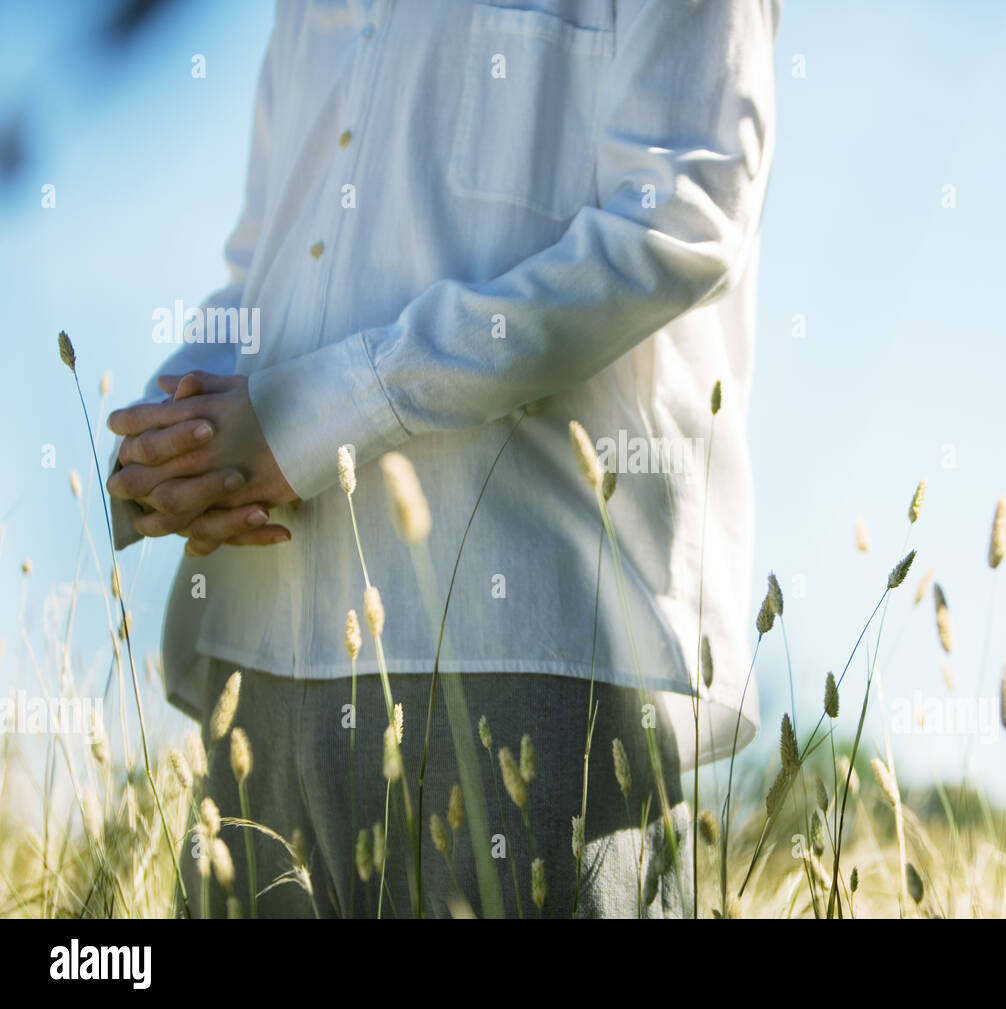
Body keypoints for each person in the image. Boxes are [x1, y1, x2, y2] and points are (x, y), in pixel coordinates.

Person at [106, 0, 778, 918]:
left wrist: (310, 422)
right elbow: (257, 269)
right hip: (256, 658)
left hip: (520, 653)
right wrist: (159, 454)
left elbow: (681, 222)